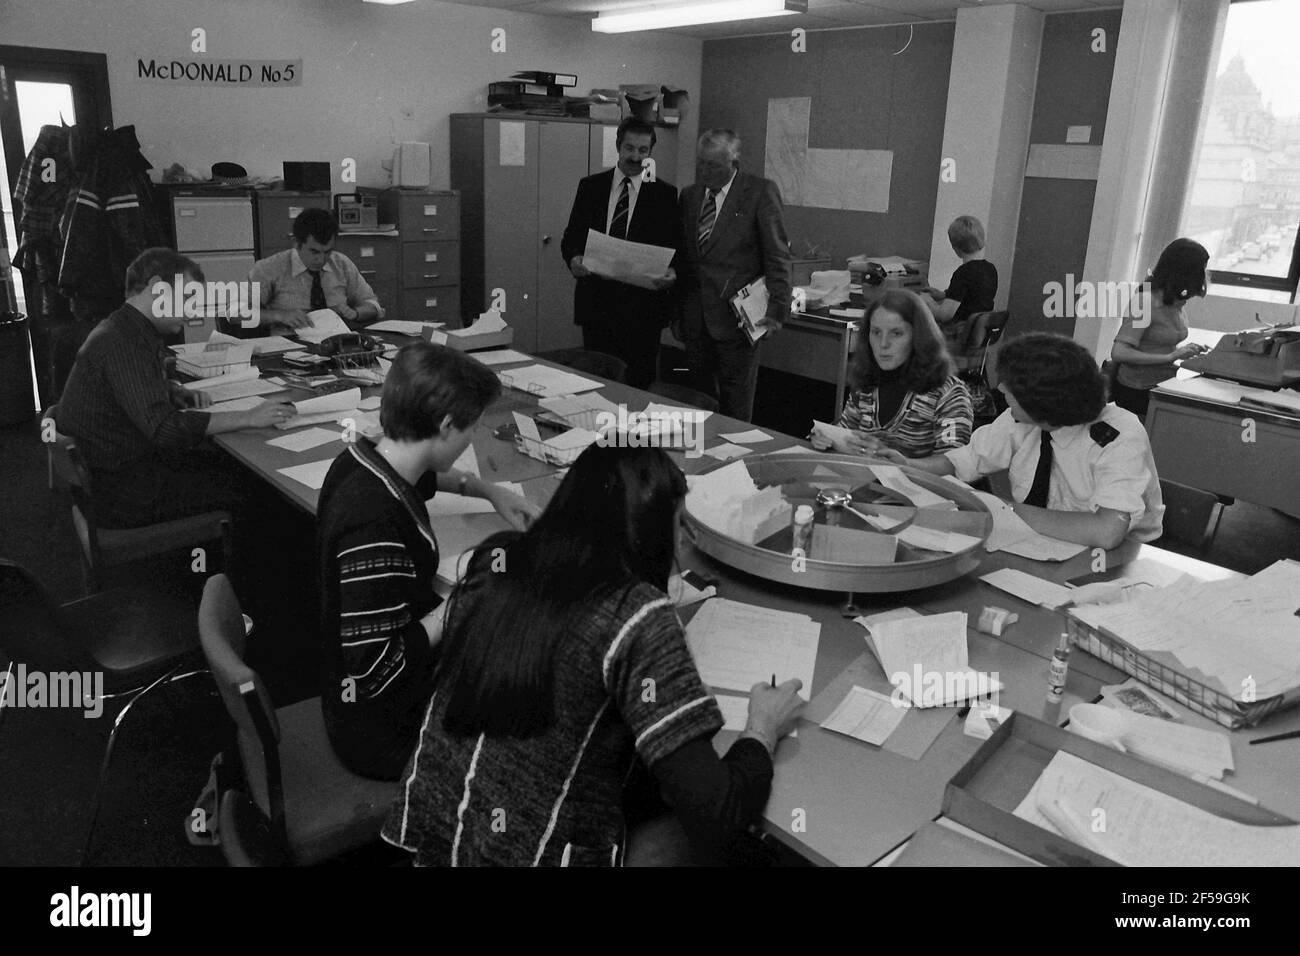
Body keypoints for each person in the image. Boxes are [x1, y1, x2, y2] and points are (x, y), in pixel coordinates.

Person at [382, 445, 803, 865]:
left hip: (434, 842)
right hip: (534, 855)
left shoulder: (500, 561)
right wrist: (761, 730)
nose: (681, 541)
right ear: (651, 531)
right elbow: (715, 812)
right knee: (736, 843)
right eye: (678, 524)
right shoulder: (638, 618)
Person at [317, 342, 540, 780]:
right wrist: (461, 602)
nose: (472, 439)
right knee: (530, 703)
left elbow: (429, 475)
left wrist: (490, 490)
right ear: (444, 426)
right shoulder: (374, 521)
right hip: (380, 731)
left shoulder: (360, 459)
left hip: (351, 694)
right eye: (470, 428)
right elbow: (376, 669)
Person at [55, 247, 296, 531]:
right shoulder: (123, 343)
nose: (193, 311)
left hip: (120, 469)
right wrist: (248, 417)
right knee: (256, 488)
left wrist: (170, 390)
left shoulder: (124, 328)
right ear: (158, 289)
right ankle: (240, 573)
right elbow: (164, 429)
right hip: (125, 491)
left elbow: (125, 389)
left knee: (227, 464)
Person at [883, 333, 1163, 549]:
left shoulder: (1119, 435)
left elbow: (1107, 531)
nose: (1001, 388)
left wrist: (1006, 512)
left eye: (1011, 387)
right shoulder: (1022, 419)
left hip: (1119, 557)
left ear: (1043, 402)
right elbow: (963, 461)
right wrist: (908, 465)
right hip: (1041, 544)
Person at [676, 129, 792, 422]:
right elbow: (686, 261)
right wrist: (675, 313)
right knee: (698, 403)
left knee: (735, 408)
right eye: (700, 163)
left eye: (713, 165)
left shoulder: (759, 192)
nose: (704, 171)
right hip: (696, 318)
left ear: (733, 161)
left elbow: (777, 255)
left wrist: (778, 308)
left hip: (738, 320)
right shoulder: (690, 196)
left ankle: (734, 463)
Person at [560, 117, 679, 389]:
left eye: (643, 150)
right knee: (598, 383)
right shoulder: (591, 187)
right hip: (598, 304)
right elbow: (571, 237)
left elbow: (675, 249)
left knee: (639, 385)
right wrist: (574, 259)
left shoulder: (664, 195)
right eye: (630, 148)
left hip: (643, 310)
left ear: (650, 152)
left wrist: (672, 272)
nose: (635, 156)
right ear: (617, 146)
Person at [811, 290, 972, 462]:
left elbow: (953, 463)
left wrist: (902, 462)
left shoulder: (949, 392)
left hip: (915, 487)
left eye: (896, 333)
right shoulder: (867, 379)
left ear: (918, 337)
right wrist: (828, 438)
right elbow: (846, 428)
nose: (883, 344)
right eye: (876, 332)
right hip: (866, 480)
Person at [1109, 238, 1212, 419]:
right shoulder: (1145, 301)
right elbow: (1119, 352)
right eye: (1201, 269)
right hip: (1137, 389)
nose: (1204, 275)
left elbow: (1156, 343)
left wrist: (1185, 351)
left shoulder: (1174, 300)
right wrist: (1170, 357)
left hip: (1163, 382)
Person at [243, 208, 384, 335]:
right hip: (291, 344)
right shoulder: (269, 268)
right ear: (296, 243)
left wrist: (356, 313)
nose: (321, 260)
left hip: (336, 340)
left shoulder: (341, 263)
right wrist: (279, 315)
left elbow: (373, 305)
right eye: (314, 251)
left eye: (327, 252)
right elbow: (236, 313)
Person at [923, 215, 998, 354]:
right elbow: (974, 296)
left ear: (955, 247)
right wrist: (943, 295)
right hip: (979, 336)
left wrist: (926, 301)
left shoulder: (963, 273)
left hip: (959, 335)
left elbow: (944, 315)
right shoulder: (990, 269)